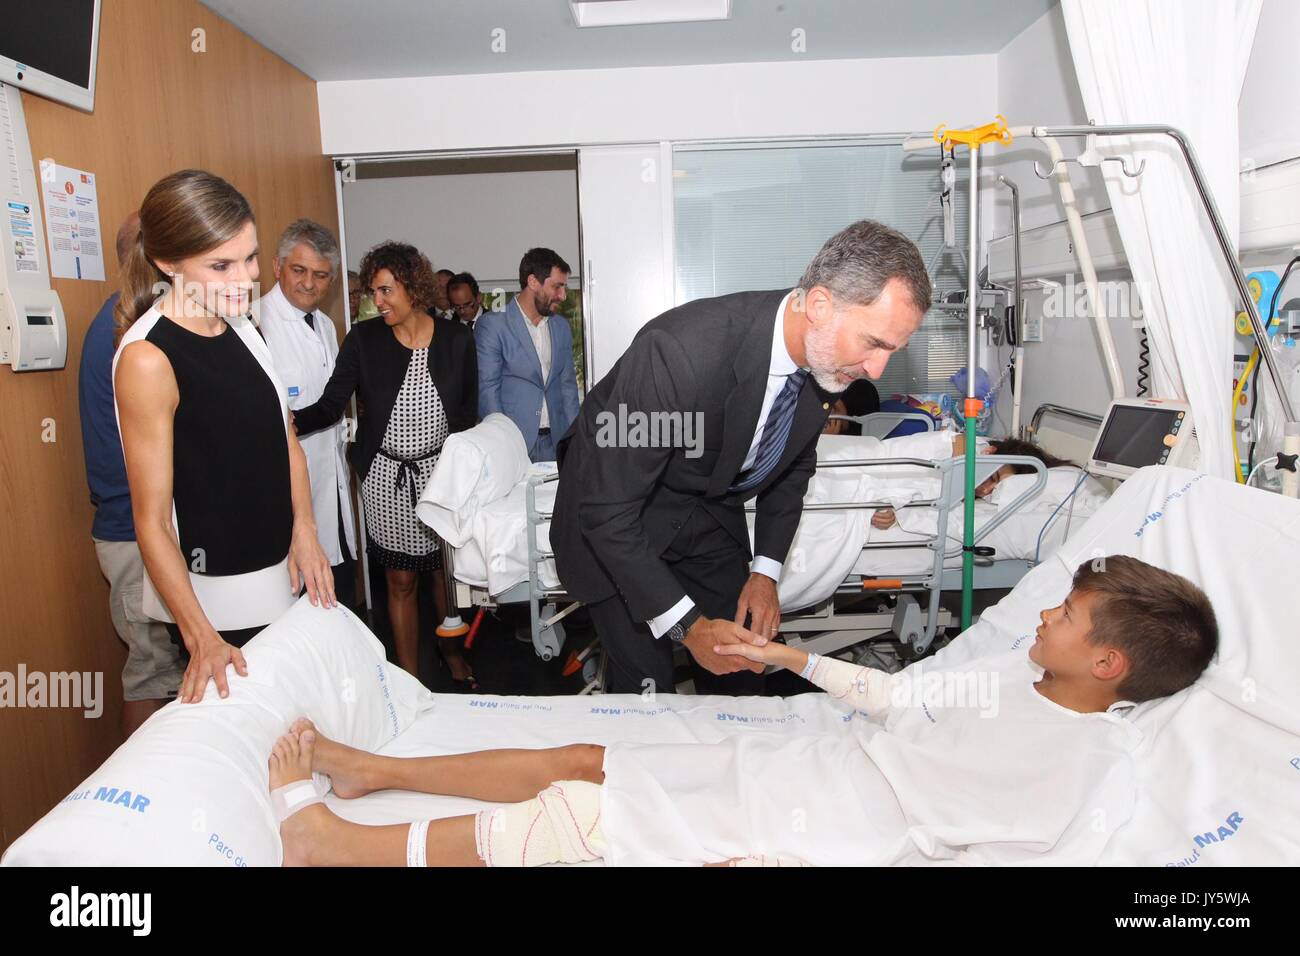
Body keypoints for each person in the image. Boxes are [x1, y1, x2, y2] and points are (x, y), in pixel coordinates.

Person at [265, 555, 1219, 866]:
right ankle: (374, 771)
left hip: (830, 833)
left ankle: (334, 845)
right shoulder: (1018, 674)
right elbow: (896, 698)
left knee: (580, 822)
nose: (1043, 612)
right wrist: (785, 655)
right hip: (809, 771)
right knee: (583, 754)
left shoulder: (1094, 768)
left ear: (1109, 663)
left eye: (1066, 615)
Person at [550, 220, 930, 695]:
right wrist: (688, 627)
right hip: (621, 517)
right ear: (819, 305)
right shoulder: (679, 355)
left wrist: (765, 573)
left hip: (703, 504)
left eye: (893, 351)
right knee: (647, 689)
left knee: (747, 666)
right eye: (874, 343)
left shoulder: (825, 361)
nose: (877, 370)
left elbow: (791, 468)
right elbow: (608, 511)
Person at [113, 170, 335, 707]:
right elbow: (152, 521)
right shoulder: (148, 357)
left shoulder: (243, 327)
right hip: (215, 600)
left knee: (300, 725)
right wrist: (199, 636)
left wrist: (305, 527)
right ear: (168, 264)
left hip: (279, 574)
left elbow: (285, 440)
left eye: (251, 258)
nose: (246, 279)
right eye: (221, 265)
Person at [292, 242, 478, 685]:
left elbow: (469, 416)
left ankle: (450, 655)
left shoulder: (457, 340)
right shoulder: (364, 340)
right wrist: (288, 420)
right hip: (385, 480)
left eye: (386, 290)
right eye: (374, 292)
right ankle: (409, 680)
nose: (378, 301)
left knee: (444, 575)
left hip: (442, 476)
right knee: (400, 581)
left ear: (412, 287)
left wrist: (469, 480)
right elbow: (333, 403)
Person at [80, 211, 184, 736]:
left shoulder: (126, 321)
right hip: (132, 533)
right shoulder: (126, 334)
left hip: (147, 528)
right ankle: (142, 800)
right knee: (149, 676)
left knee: (169, 673)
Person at [257, 219, 358, 610]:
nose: (309, 283)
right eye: (299, 271)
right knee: (295, 604)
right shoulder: (255, 325)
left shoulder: (326, 326)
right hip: (287, 497)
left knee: (336, 595)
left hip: (329, 483)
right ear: (276, 266)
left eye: (320, 275)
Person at [474, 248, 580, 463]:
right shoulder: (493, 325)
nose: (563, 295)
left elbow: (567, 387)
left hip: (556, 443)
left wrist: (574, 441)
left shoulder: (561, 327)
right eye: (557, 286)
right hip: (513, 445)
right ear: (533, 282)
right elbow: (488, 392)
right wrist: (502, 445)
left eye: (564, 287)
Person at [870, 435, 1074, 531]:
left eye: (992, 491)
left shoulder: (965, 493)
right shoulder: (970, 446)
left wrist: (895, 515)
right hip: (870, 463)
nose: (984, 490)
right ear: (991, 452)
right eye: (992, 478)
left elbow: (926, 497)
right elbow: (956, 444)